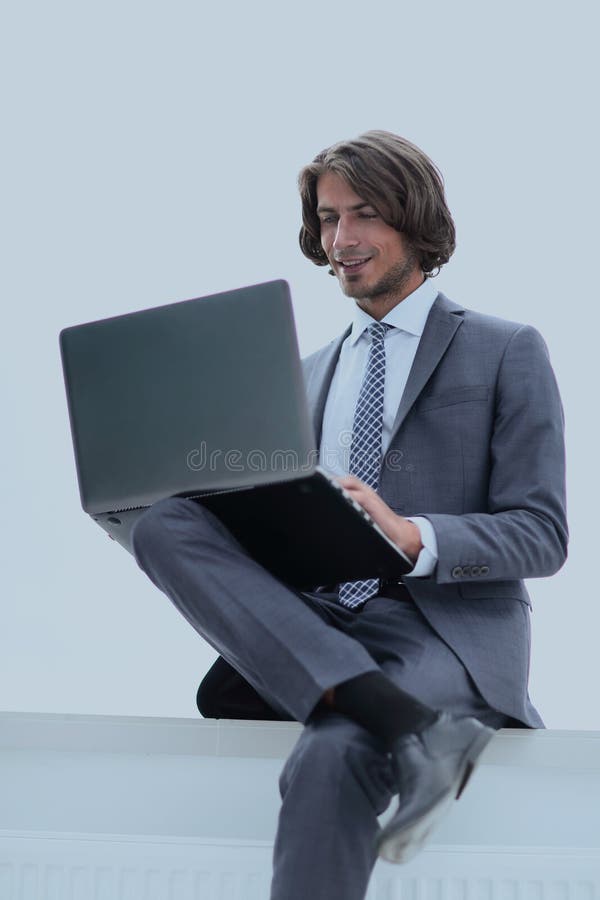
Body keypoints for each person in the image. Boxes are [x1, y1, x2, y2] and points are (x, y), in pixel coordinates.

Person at [131, 131, 568, 900]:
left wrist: (411, 534)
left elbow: (542, 531)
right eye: (329, 219)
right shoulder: (298, 377)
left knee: (332, 755)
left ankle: (380, 712)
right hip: (317, 620)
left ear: (416, 220)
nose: (342, 239)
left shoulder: (506, 350)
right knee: (164, 520)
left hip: (437, 624)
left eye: (363, 214)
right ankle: (401, 720)